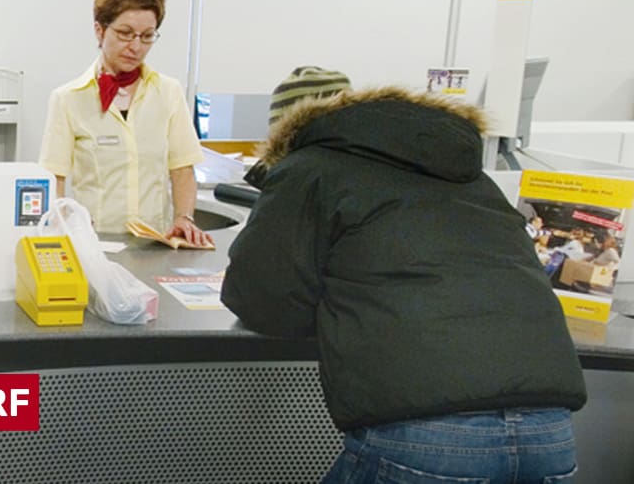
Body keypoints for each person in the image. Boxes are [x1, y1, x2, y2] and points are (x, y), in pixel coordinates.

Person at [221, 80, 587, 483]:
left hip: (427, 432)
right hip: (550, 432)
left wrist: (337, 308)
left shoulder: (308, 167)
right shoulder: (472, 178)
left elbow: (262, 299)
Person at [38, 0, 211, 247]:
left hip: (155, 244)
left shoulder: (168, 93)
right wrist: (62, 222)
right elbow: (54, 176)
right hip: (95, 244)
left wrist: (185, 218)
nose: (135, 47)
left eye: (147, 36)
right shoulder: (68, 99)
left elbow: (181, 168)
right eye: (125, 34)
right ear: (100, 29)